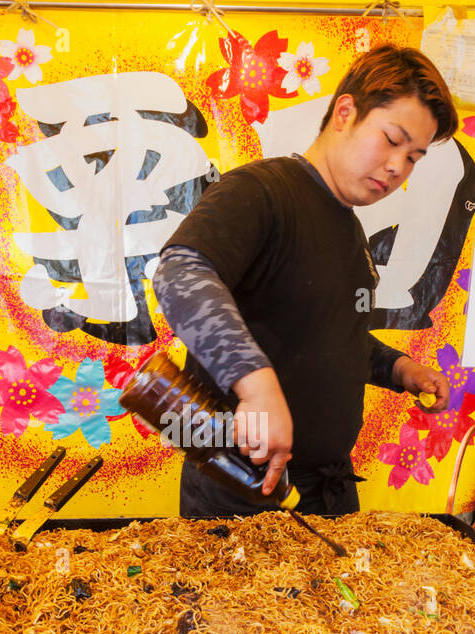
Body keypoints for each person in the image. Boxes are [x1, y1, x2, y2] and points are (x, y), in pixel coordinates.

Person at [154, 44, 458, 518]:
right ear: (345, 112)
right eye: (391, 139)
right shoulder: (262, 190)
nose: (399, 166)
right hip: (241, 488)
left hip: (327, 487)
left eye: (414, 156)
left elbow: (330, 333)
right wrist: (255, 386)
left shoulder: (349, 226)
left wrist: (400, 370)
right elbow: (180, 273)